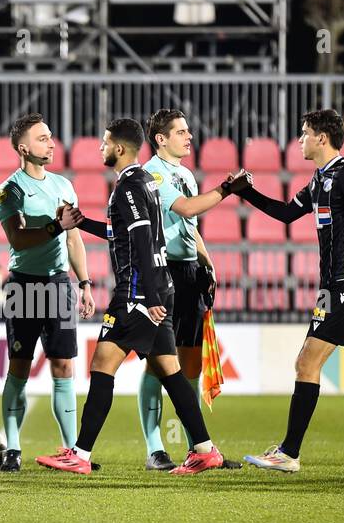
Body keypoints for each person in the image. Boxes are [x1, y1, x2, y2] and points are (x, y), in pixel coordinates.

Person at [37, 118, 224, 476]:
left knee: (102, 366)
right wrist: (81, 223)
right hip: (156, 288)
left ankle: (80, 453)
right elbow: (121, 231)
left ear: (119, 148)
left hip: (137, 292)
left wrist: (148, 294)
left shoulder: (129, 186)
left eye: (105, 142)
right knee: (170, 371)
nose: (100, 148)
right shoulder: (144, 182)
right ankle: (204, 449)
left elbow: (141, 238)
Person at [234, 108, 344, 475]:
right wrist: (246, 192)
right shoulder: (320, 180)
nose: (299, 139)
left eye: (304, 133)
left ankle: (288, 452)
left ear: (321, 137)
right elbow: (286, 213)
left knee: (306, 362)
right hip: (333, 286)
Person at [138, 109, 243, 471]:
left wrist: (207, 262)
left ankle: (196, 447)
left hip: (189, 272)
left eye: (188, 131)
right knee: (158, 363)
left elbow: (191, 225)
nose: (189, 137)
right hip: (162, 272)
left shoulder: (184, 174)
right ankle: (155, 448)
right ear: (160, 139)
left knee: (190, 365)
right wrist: (227, 189)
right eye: (181, 132)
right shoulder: (151, 173)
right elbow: (185, 207)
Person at [0, 112, 91, 472]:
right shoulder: (10, 190)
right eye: (42, 138)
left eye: (50, 137)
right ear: (23, 147)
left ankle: (71, 450)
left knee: (64, 366)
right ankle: (13, 449)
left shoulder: (64, 186)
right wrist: (55, 225)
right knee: (19, 368)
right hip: (24, 286)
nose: (50, 143)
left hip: (59, 285)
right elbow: (18, 238)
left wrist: (84, 283)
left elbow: (74, 238)